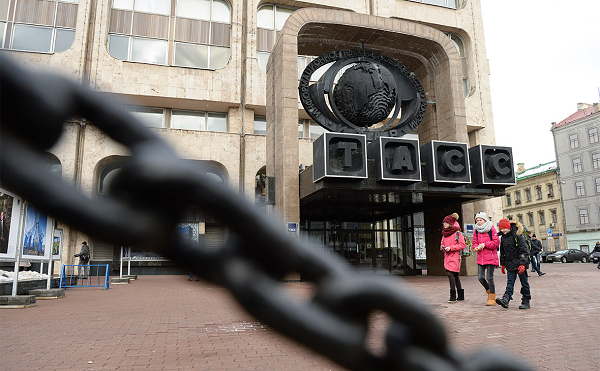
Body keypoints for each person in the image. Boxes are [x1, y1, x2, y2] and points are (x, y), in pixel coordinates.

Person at [496, 219, 531, 309]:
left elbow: (524, 249)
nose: (502, 230)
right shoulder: (503, 237)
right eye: (501, 229)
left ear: (508, 227)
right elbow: (503, 251)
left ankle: (526, 300)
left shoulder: (518, 234)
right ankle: (506, 299)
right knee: (510, 282)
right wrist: (503, 264)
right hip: (510, 263)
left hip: (520, 263)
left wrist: (523, 264)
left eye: (504, 228)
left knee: (524, 283)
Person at [471, 211, 500, 306]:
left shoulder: (491, 229)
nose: (479, 222)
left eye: (481, 220)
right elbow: (474, 242)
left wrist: (485, 244)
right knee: (480, 277)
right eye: (477, 220)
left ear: (485, 220)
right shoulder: (476, 230)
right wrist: (475, 246)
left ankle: (492, 298)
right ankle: (489, 291)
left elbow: (496, 243)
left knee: (489, 277)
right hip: (481, 257)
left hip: (491, 257)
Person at [440, 212, 465, 303]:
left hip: (455, 257)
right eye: (443, 223)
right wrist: (443, 248)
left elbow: (462, 245)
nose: (444, 225)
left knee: (450, 274)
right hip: (447, 256)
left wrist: (450, 248)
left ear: (450, 223)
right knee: (455, 276)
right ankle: (461, 295)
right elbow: (442, 244)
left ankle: (453, 296)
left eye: (446, 223)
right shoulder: (444, 233)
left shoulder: (458, 233)